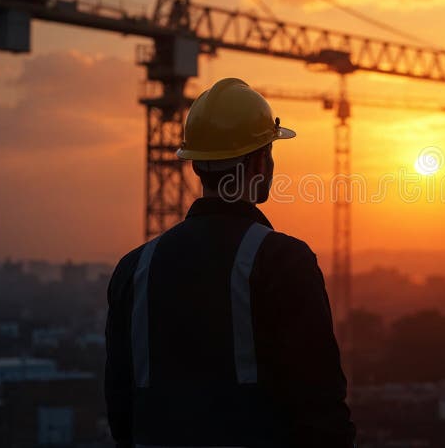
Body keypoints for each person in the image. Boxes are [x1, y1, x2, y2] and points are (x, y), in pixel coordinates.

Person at [105, 78, 356, 447]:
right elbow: (320, 407)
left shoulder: (133, 269)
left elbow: (121, 406)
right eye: (268, 151)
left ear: (195, 166)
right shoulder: (283, 263)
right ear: (258, 160)